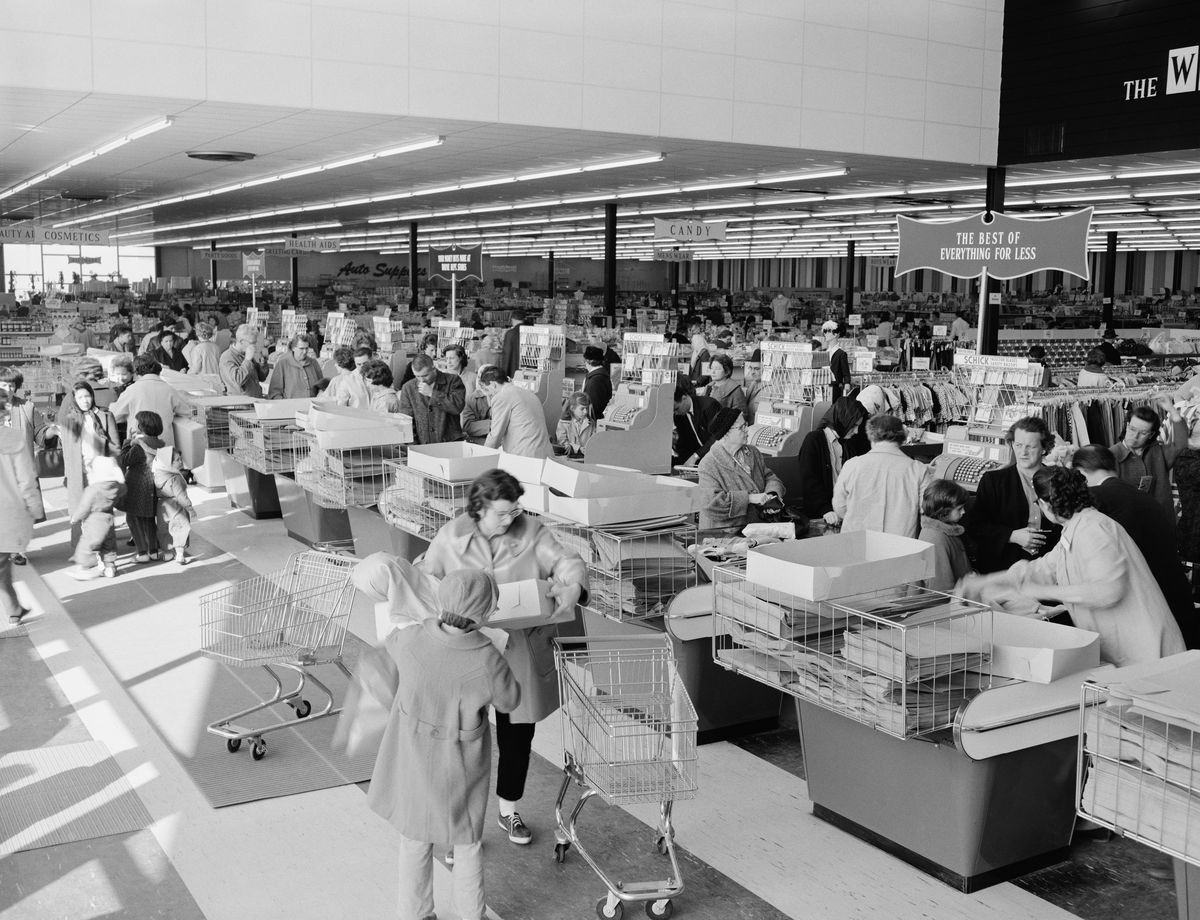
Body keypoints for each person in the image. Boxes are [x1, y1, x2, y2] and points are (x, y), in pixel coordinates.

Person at [422, 470, 588, 847]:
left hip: (518, 652)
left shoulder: (531, 531)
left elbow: (566, 561)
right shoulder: (449, 539)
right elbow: (425, 582)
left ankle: (508, 809)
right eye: (502, 513)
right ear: (478, 508)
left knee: (517, 736)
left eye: (515, 511)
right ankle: (458, 827)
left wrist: (573, 585)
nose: (511, 519)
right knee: (462, 738)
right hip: (465, 652)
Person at [360, 568, 520, 920]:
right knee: (466, 843)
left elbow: (392, 645)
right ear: (482, 613)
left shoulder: (411, 639)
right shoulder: (487, 658)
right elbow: (510, 701)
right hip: (460, 764)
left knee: (414, 838)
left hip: (412, 757)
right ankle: (470, 915)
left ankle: (414, 914)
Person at [959, 467, 1185, 667]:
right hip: (1128, 651)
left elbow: (1107, 591)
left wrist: (1038, 592)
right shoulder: (1075, 528)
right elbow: (1044, 568)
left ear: (1045, 504)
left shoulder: (1093, 529)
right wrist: (986, 581)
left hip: (1145, 653)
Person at [1073, 444, 1198, 647]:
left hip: (1146, 600)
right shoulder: (1143, 497)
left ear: (1081, 472)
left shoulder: (1096, 496)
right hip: (1175, 591)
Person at [965, 416, 1061, 573]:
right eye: (1018, 445)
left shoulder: (1057, 479)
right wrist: (1011, 536)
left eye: (1031, 447)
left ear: (1044, 448)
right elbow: (975, 527)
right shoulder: (994, 481)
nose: (1023, 452)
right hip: (1003, 568)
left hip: (1048, 569)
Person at [830, 413, 928, 538]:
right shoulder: (918, 470)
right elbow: (926, 511)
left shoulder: (852, 465)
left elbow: (839, 506)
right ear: (902, 437)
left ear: (871, 436)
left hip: (856, 542)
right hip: (900, 547)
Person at [697, 408, 785, 535]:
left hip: (756, 528)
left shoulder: (753, 452)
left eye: (746, 425)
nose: (747, 430)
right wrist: (749, 498)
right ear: (726, 433)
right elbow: (711, 504)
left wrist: (771, 496)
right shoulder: (708, 464)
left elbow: (770, 477)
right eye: (742, 427)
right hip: (724, 534)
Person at [796, 396, 868, 523]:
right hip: (820, 516)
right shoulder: (814, 440)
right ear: (843, 421)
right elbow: (809, 480)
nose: (857, 431)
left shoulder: (849, 444)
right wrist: (825, 509)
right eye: (854, 425)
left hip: (845, 514)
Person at [1111, 400, 1188, 516]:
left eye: (1142, 433)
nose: (1135, 436)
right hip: (1128, 525)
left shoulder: (1159, 453)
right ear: (1127, 426)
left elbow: (1181, 443)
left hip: (1161, 523)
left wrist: (1172, 411)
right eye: (1132, 429)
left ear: (1151, 434)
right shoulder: (1111, 455)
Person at [0, 419, 40, 625]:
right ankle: (14, 610)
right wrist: (34, 506)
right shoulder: (13, 438)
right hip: (7, 512)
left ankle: (14, 608)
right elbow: (26, 478)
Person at [111, 355, 189, 448]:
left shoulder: (131, 390)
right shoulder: (169, 389)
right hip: (165, 443)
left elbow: (114, 416)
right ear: (158, 371)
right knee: (164, 462)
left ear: (136, 372)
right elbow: (187, 412)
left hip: (140, 444)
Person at [67, 455, 124, 581]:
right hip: (108, 518)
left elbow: (84, 507)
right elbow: (123, 487)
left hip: (94, 521)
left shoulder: (93, 490)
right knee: (109, 544)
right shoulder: (115, 487)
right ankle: (110, 567)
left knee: (87, 545)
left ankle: (82, 568)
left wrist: (75, 518)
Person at [119, 410, 165, 563]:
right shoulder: (162, 444)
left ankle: (142, 553)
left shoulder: (139, 446)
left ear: (142, 427)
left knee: (132, 518)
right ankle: (154, 551)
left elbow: (124, 460)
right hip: (153, 487)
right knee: (149, 520)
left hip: (137, 486)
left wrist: (127, 442)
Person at [479, 366, 553, 459]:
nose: (489, 394)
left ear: (493, 385)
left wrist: (482, 456)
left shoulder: (501, 397)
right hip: (544, 454)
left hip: (524, 455)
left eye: (487, 390)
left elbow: (495, 435)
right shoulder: (529, 393)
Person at [398, 354, 467, 445]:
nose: (422, 380)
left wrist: (433, 394)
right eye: (417, 376)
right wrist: (414, 447)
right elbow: (406, 421)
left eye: (425, 375)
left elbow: (457, 407)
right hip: (422, 445)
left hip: (450, 444)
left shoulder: (453, 380)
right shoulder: (408, 387)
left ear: (434, 368)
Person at [918, 479, 973, 592]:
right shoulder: (936, 539)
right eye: (959, 509)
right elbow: (941, 587)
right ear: (943, 511)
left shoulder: (944, 530)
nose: (964, 512)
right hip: (948, 604)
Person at [152, 445, 195, 565]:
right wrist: (189, 508)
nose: (181, 462)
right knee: (180, 529)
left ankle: (167, 553)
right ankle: (180, 554)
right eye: (177, 460)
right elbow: (181, 495)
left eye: (180, 459)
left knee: (164, 530)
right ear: (167, 463)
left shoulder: (158, 475)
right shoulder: (175, 478)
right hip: (176, 507)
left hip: (162, 507)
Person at [672, 383, 722, 466]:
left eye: (676, 408)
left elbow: (718, 436)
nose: (676, 413)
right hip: (701, 459)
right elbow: (684, 443)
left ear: (684, 398)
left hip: (717, 456)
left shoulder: (709, 405)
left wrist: (696, 456)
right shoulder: (679, 416)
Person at [267, 333, 323, 399]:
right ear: (293, 348)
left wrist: (321, 393)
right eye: (301, 348)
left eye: (306, 348)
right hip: (290, 407)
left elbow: (321, 386)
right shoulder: (282, 364)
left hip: (310, 406)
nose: (305, 352)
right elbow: (274, 392)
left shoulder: (314, 363)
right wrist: (285, 404)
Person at [219, 324, 269, 397]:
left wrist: (262, 363)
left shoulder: (246, 354)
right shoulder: (227, 357)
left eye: (255, 342)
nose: (254, 345)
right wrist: (248, 360)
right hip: (240, 405)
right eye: (252, 342)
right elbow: (237, 380)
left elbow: (262, 377)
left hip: (254, 401)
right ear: (241, 341)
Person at [555, 392, 595, 458]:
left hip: (586, 457)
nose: (586, 411)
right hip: (569, 457)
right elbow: (562, 443)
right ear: (572, 408)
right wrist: (579, 448)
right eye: (582, 409)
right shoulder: (563, 423)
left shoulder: (591, 423)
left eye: (587, 408)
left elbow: (594, 440)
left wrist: (588, 448)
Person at [581, 346, 613, 419]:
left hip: (593, 423)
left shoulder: (595, 380)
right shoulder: (599, 375)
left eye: (584, 360)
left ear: (588, 361)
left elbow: (593, 407)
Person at [827, 334, 851, 401]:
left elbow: (846, 371)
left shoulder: (841, 353)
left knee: (833, 405)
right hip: (824, 384)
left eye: (828, 332)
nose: (825, 334)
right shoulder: (825, 351)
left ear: (835, 335)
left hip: (835, 385)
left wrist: (847, 383)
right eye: (825, 332)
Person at [500, 314, 524, 379]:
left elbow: (507, 353)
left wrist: (504, 373)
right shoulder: (530, 331)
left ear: (513, 319)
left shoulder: (510, 333)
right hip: (528, 369)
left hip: (513, 369)